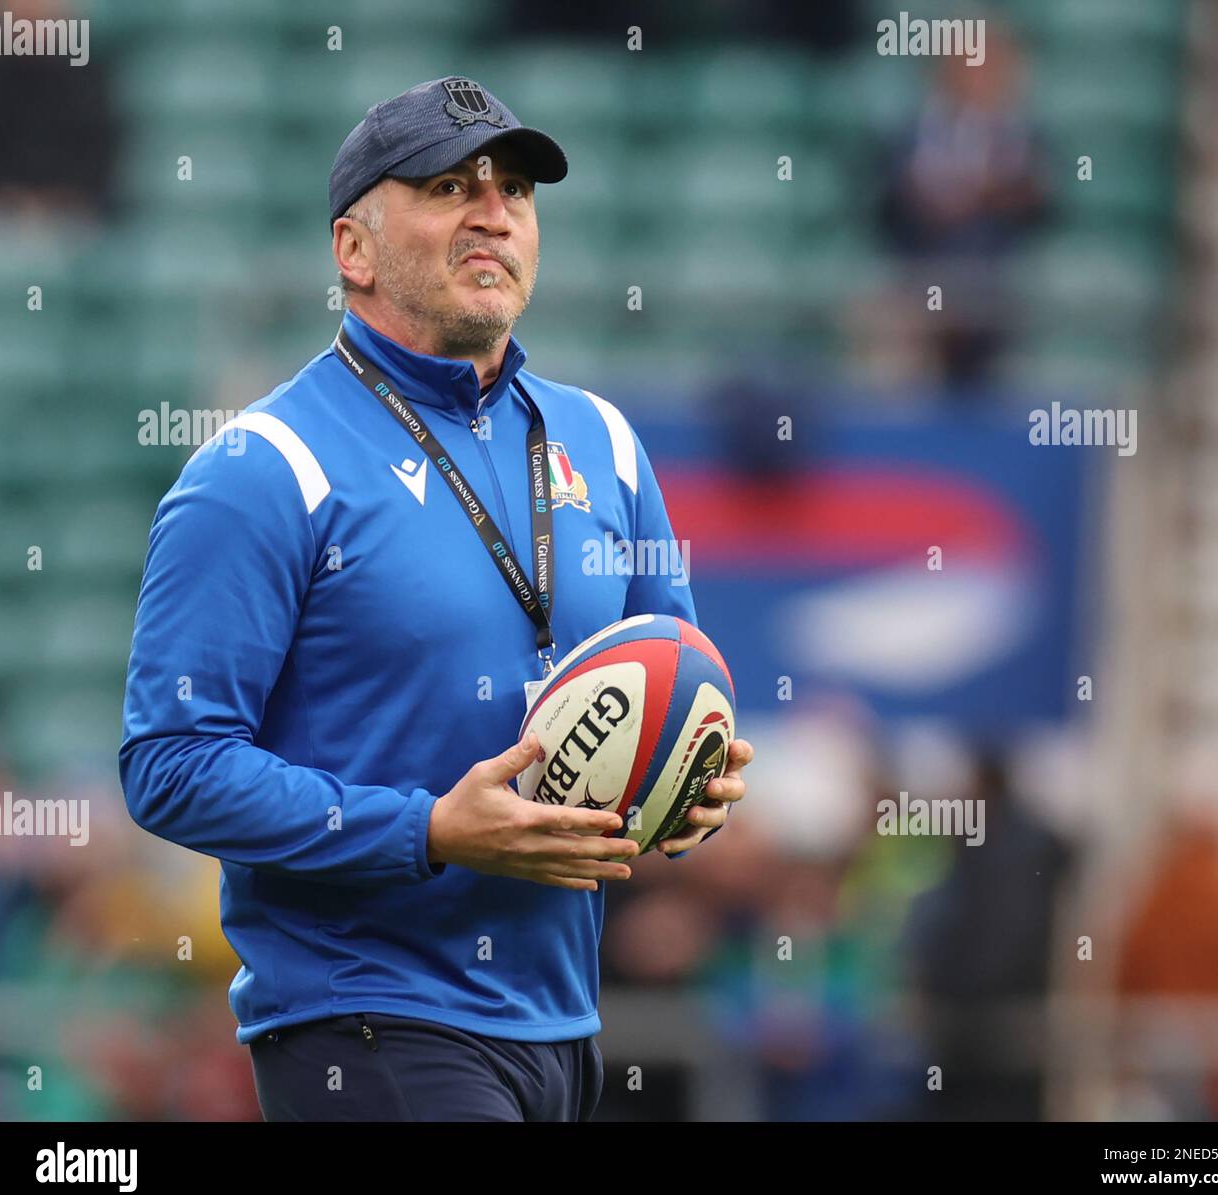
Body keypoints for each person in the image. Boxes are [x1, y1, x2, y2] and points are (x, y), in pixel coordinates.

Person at [119, 76, 753, 1122]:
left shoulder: (604, 442)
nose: (493, 211)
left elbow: (680, 678)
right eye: (449, 186)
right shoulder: (263, 468)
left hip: (562, 1028)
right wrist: (428, 831)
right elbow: (169, 766)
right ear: (353, 251)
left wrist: (693, 786)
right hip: (364, 1021)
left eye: (514, 190)